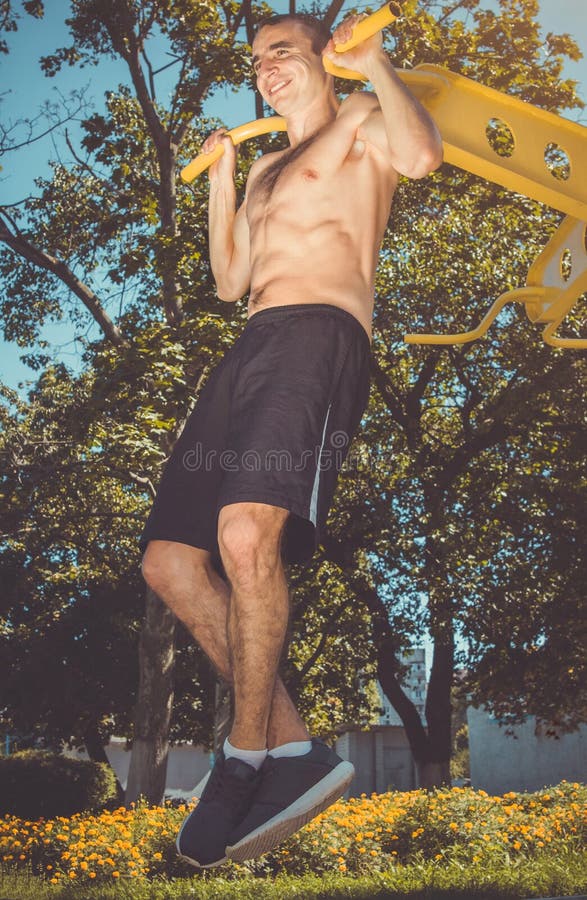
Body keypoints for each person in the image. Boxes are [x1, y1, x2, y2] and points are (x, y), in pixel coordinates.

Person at [140, 10, 442, 869]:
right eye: (257, 61)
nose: (266, 69)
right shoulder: (269, 166)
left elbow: (422, 158)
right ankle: (292, 747)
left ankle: (244, 760)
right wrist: (223, 175)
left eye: (283, 52)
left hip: (318, 336)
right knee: (168, 560)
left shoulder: (360, 124)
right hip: (252, 347)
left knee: (244, 537)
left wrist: (375, 61)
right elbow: (231, 277)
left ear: (322, 60)